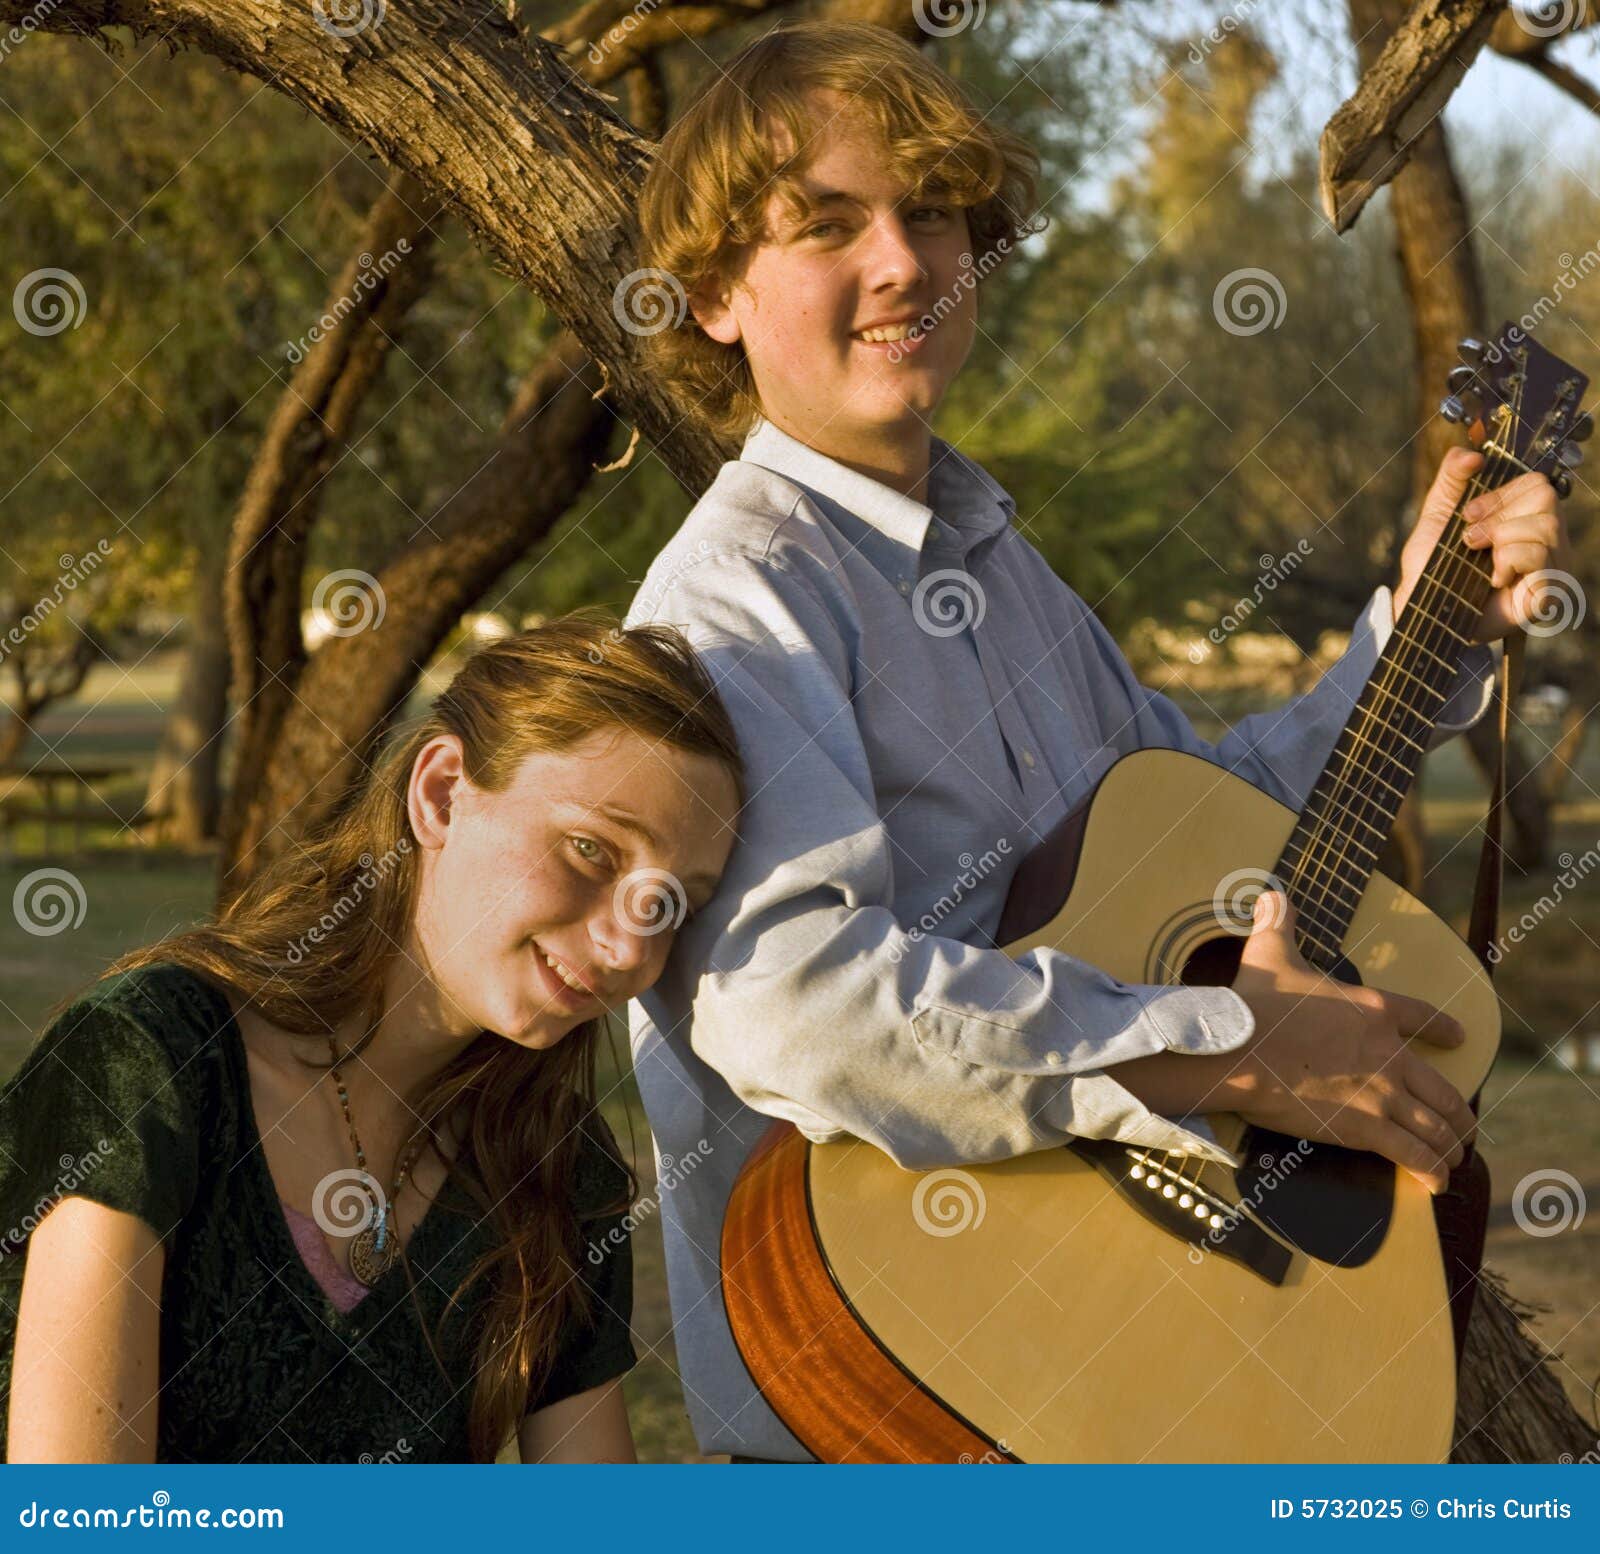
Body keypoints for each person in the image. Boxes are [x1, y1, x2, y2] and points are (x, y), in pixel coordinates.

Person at [624, 20, 1567, 1462]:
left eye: (932, 214)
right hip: (888, 1400)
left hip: (1108, 1362)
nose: (902, 263)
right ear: (711, 296)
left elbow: (1207, 827)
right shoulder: (734, 601)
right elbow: (796, 1006)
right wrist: (1230, 1049)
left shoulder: (1001, 566)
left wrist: (1422, 630)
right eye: (827, 225)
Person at [0, 612, 744, 1464]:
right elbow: (84, 1516)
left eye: (673, 903)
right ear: (441, 793)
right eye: (590, 850)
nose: (630, 949)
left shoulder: (559, 1171)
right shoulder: (151, 1058)